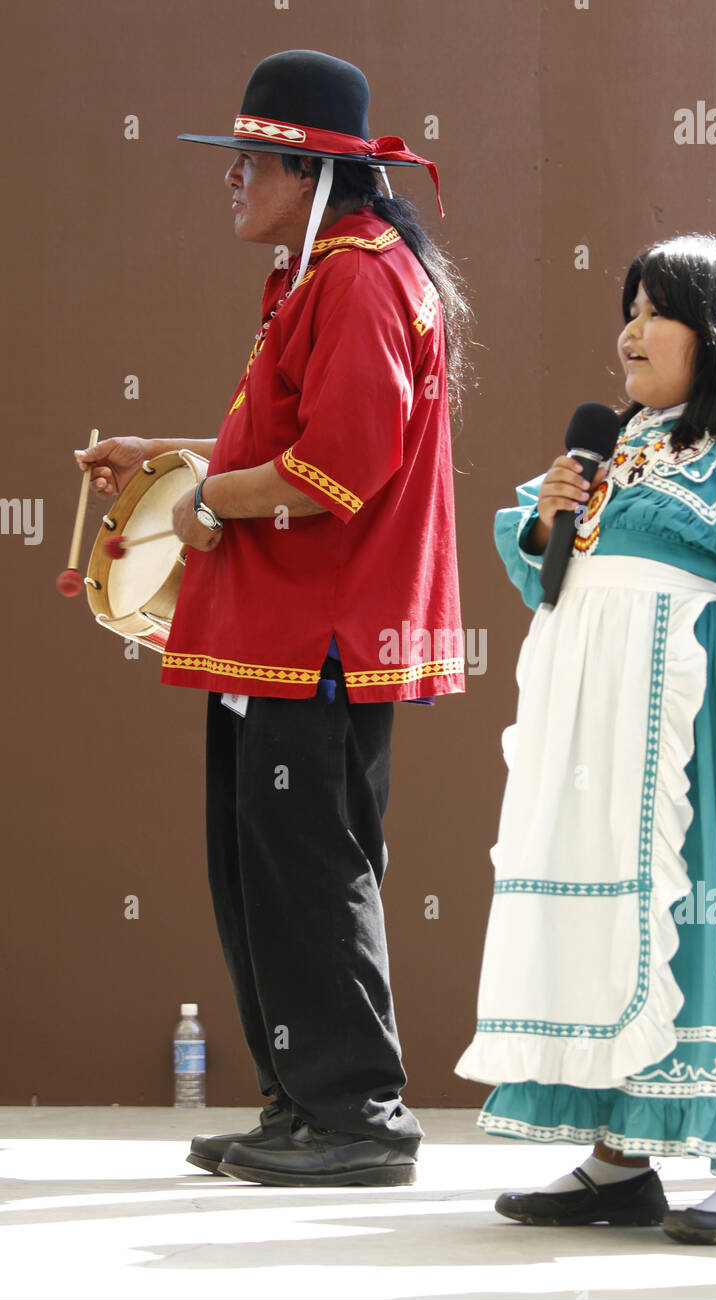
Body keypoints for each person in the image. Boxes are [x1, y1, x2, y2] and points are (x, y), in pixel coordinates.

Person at [75, 50, 470, 1186]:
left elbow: (335, 471)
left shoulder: (353, 277)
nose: (232, 180)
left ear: (308, 168)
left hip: (321, 634)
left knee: (307, 865)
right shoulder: (330, 272)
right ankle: (304, 1102)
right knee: (263, 868)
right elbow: (283, 456)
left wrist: (198, 499)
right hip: (287, 631)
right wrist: (176, 461)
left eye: (248, 159)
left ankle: (359, 1115)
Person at [456, 234, 716, 1243]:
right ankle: (621, 1158)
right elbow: (552, 575)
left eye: (653, 311)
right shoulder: (621, 445)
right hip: (600, 746)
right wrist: (547, 521)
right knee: (624, 930)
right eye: (625, 310)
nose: (627, 333)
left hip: (704, 731)